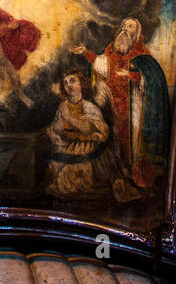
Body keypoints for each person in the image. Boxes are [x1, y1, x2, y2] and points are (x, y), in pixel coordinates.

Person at [71, 17, 169, 189]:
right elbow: (101, 65)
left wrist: (131, 75)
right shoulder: (111, 52)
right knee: (114, 141)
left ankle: (137, 176)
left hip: (135, 110)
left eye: (130, 26)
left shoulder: (143, 57)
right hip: (113, 109)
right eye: (123, 25)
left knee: (133, 144)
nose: (125, 29)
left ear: (137, 33)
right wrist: (86, 52)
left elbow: (153, 79)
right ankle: (119, 174)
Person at [45, 70, 138, 201]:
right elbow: (58, 128)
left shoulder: (89, 107)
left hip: (90, 148)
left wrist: (70, 119)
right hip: (70, 146)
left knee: (74, 177)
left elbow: (89, 129)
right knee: (53, 171)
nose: (69, 86)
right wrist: (53, 133)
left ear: (82, 84)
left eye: (73, 81)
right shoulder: (63, 106)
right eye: (65, 83)